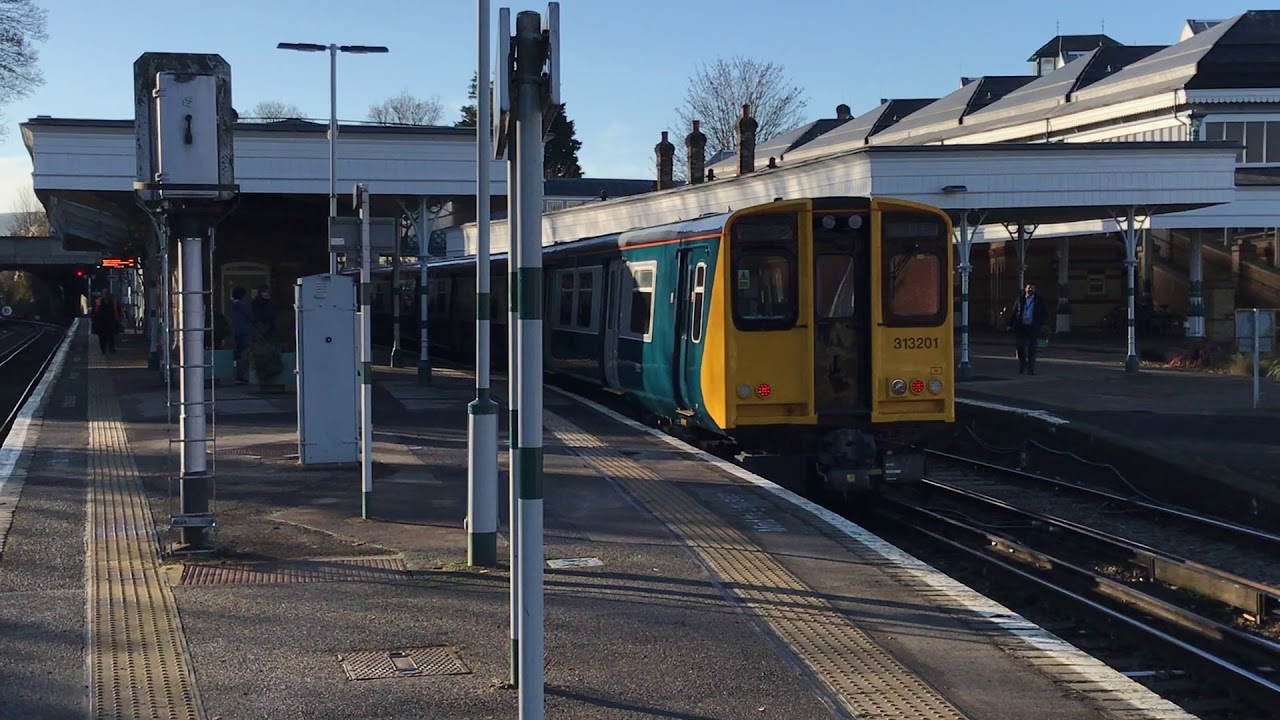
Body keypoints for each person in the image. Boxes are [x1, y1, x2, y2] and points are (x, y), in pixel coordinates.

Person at [1006, 283, 1047, 375]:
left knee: (1032, 349)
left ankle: (1030, 369)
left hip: (1033, 327)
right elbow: (1015, 312)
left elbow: (1044, 313)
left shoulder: (1039, 300)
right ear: (1025, 289)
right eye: (1028, 288)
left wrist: (1041, 324)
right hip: (1021, 327)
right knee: (1020, 347)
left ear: (1034, 290)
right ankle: (1023, 364)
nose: (1030, 290)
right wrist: (1010, 324)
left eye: (1032, 289)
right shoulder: (1020, 299)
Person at [230, 286, 253, 384]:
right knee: (244, 354)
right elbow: (251, 317)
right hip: (244, 332)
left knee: (237, 355)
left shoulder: (231, 306)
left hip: (235, 332)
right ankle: (243, 376)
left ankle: (238, 376)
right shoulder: (243, 306)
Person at [91, 289, 122, 355]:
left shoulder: (114, 302)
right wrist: (94, 320)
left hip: (111, 322)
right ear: (102, 294)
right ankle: (103, 350)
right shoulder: (98, 302)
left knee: (111, 337)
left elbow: (118, 311)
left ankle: (110, 349)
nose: (106, 295)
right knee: (102, 338)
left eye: (107, 293)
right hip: (101, 323)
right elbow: (93, 312)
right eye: (104, 293)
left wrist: (118, 320)